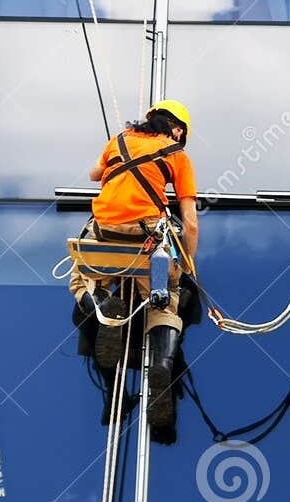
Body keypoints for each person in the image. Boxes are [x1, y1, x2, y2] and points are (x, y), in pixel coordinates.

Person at [68, 100, 199, 437]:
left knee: (81, 278)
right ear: (178, 129)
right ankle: (160, 365)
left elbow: (94, 175)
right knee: (164, 300)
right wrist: (186, 266)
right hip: (147, 235)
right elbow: (191, 223)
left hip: (106, 231)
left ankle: (103, 307)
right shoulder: (178, 155)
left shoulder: (118, 141)